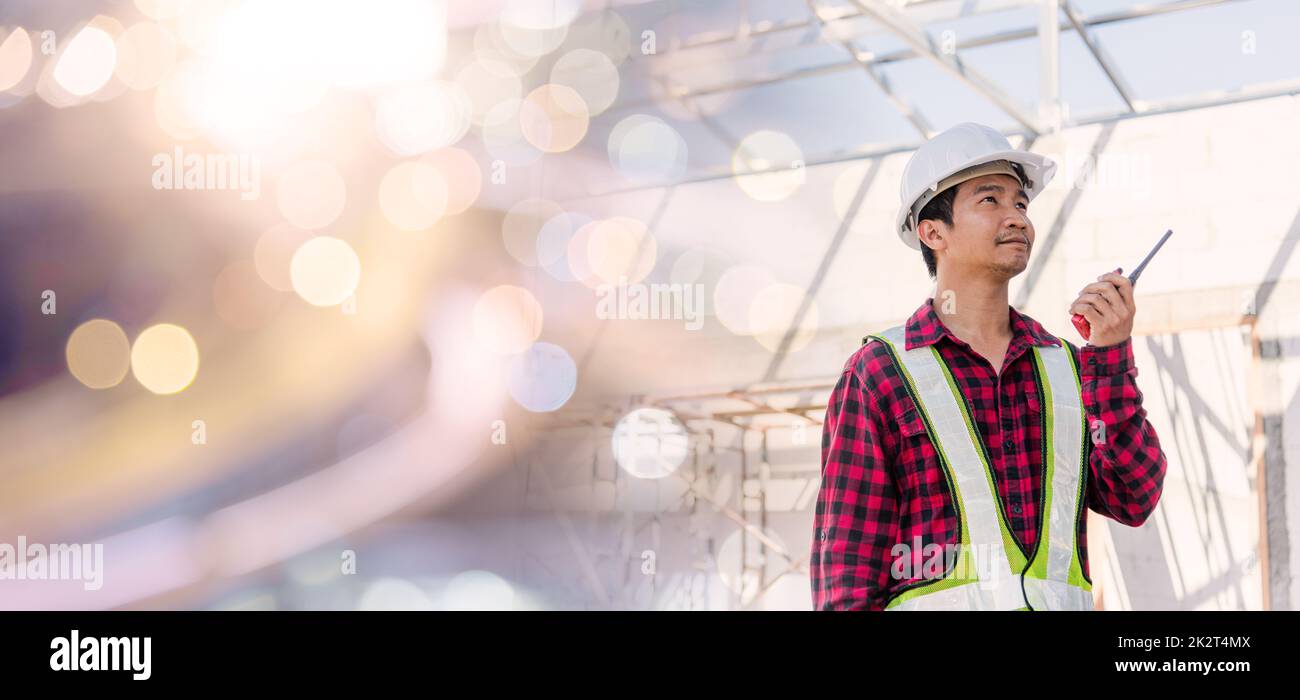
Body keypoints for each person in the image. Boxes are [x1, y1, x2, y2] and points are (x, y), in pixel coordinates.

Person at [810, 123, 1167, 610]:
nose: (1016, 217)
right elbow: (847, 571)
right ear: (933, 232)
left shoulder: (1068, 368)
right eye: (990, 200)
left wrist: (1109, 356)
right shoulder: (879, 374)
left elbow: (1134, 495)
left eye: (1021, 203)